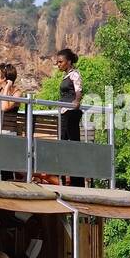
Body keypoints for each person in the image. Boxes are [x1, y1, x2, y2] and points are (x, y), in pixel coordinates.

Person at [56, 48, 84, 186]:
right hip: (64, 113)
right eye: (57, 62)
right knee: (63, 145)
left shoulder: (74, 75)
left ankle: (76, 181)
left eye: (61, 62)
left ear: (69, 62)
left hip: (70, 113)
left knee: (72, 144)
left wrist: (77, 102)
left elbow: (78, 90)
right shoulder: (66, 76)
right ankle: (63, 178)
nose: (58, 64)